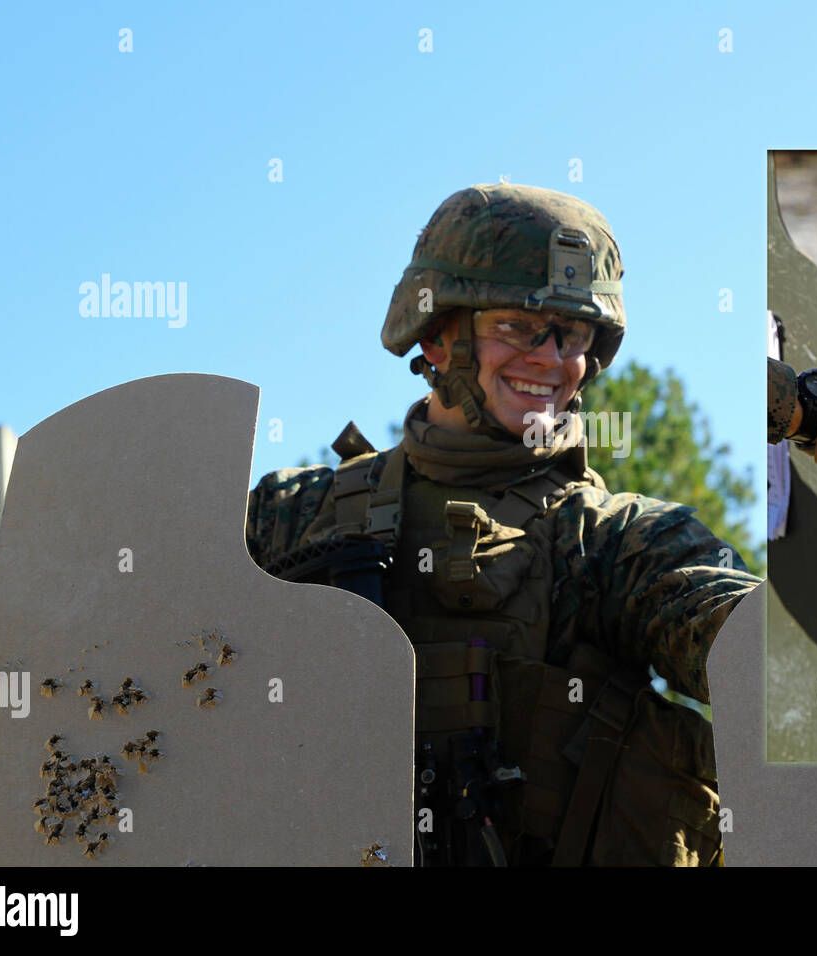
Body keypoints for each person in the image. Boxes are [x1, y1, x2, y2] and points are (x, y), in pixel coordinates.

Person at [246, 183, 760, 867]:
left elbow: (739, 636)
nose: (550, 357)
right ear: (437, 334)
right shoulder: (291, 517)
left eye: (574, 334)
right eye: (518, 326)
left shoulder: (614, 539)